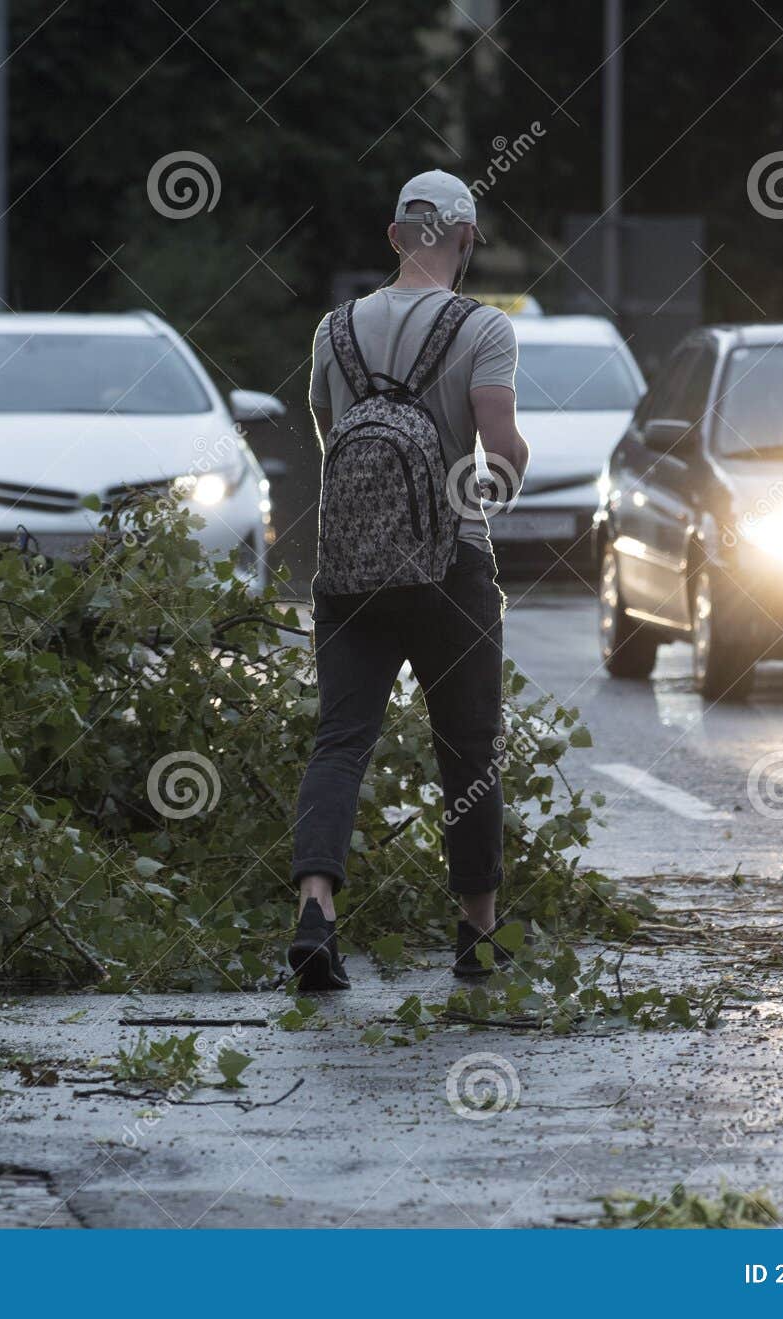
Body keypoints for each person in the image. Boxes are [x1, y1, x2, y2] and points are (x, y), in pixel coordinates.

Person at [287, 168, 530, 991]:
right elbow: (497, 449)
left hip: (349, 570)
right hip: (451, 566)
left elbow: (332, 440)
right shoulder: (483, 329)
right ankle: (477, 932)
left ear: (394, 237)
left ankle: (316, 905)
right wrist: (494, 478)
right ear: (465, 239)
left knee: (341, 738)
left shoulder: (334, 330)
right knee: (468, 748)